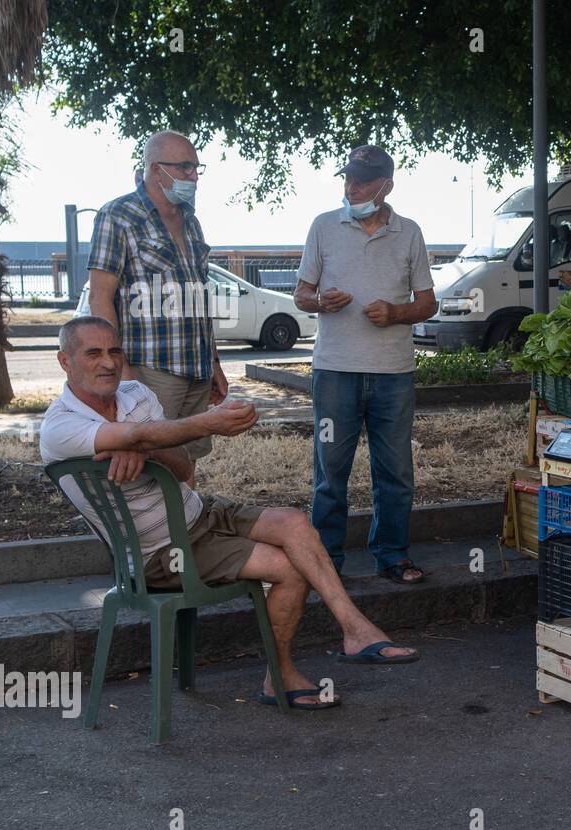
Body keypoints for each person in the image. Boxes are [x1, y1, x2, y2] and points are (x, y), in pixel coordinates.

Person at [40, 318, 419, 711]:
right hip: (160, 553)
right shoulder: (61, 427)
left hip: (197, 514)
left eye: (114, 351)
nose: (108, 363)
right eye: (94, 353)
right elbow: (138, 435)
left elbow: (183, 469)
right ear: (65, 361)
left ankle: (354, 630)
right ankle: (281, 677)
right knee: (289, 567)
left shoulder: (136, 394)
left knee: (294, 521)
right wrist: (197, 425)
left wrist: (146, 446)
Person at [294, 145, 438, 584]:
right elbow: (301, 295)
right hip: (335, 371)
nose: (350, 188)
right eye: (348, 179)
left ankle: (392, 555)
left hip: (394, 374)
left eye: (360, 181)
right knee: (329, 471)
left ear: (386, 186)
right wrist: (319, 302)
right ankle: (326, 564)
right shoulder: (323, 226)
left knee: (396, 472)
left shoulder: (409, 232)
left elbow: (428, 303)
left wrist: (396, 314)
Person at [86, 130, 225, 471]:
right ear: (155, 169)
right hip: (150, 369)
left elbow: (198, 296)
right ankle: (154, 526)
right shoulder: (117, 216)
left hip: (196, 366)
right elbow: (100, 296)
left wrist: (214, 363)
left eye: (196, 167)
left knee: (186, 465)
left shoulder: (191, 222)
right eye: (185, 167)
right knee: (152, 460)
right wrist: (121, 369)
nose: (193, 176)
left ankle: (185, 524)